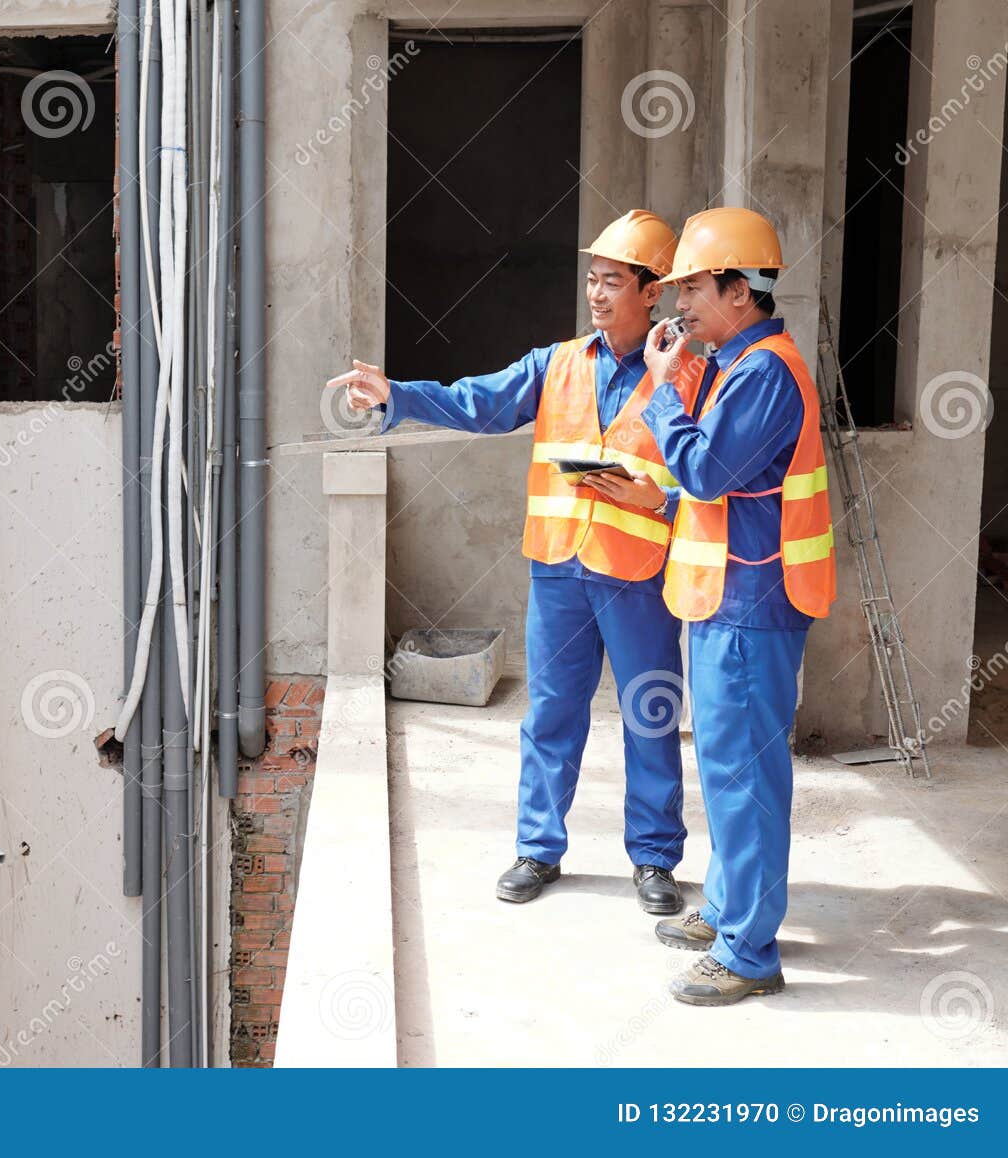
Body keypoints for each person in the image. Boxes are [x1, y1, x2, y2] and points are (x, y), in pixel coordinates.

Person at [327, 210, 703, 916]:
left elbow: (706, 472)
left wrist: (663, 500)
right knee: (552, 712)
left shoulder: (681, 373)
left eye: (613, 282)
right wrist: (398, 396)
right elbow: (480, 401)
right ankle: (538, 849)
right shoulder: (555, 364)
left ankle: (654, 859)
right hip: (559, 570)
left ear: (653, 293)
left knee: (649, 714)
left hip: (636, 572)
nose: (596, 294)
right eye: (592, 280)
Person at [591, 206, 836, 1005]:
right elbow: (712, 485)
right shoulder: (740, 363)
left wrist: (664, 391)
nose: (679, 303)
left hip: (751, 603)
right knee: (731, 771)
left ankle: (748, 952)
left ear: (741, 291)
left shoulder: (766, 372)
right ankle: (732, 911)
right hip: (728, 598)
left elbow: (707, 471)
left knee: (745, 779)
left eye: (693, 287)